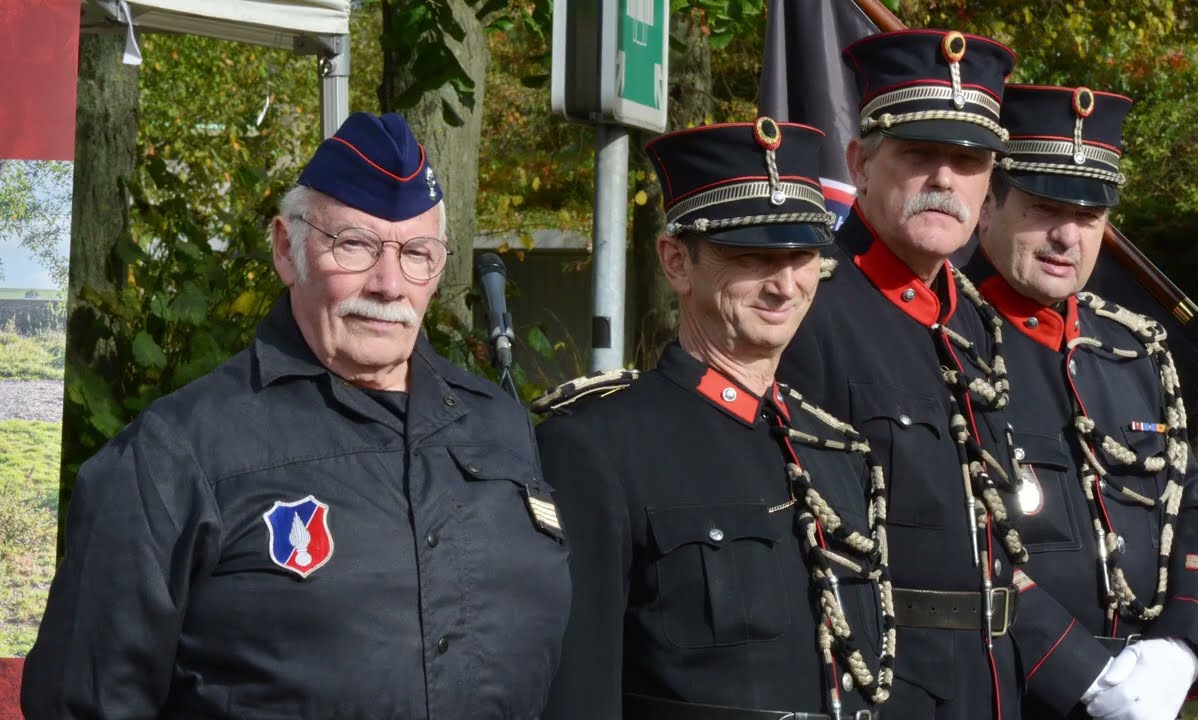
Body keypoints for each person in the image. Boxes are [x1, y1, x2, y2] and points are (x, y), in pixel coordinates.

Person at [21, 112, 570, 719]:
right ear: (288, 249)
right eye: (355, 244)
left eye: (417, 252)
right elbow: (86, 703)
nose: (389, 284)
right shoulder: (178, 453)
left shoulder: (499, 427)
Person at [536, 118, 895, 720]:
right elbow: (578, 692)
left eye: (802, 255)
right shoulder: (597, 448)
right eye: (753, 256)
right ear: (677, 262)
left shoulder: (834, 449)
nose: (785, 285)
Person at [776, 29, 1074, 719]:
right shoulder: (805, 308)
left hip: (992, 682)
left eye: (967, 161)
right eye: (918, 154)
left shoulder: (974, 321)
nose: (944, 179)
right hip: (879, 684)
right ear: (860, 163)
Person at [965, 85, 1198, 720]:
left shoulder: (1135, 349)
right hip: (1004, 689)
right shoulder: (945, 342)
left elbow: (1191, 507)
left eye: (1088, 216)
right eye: (1043, 207)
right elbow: (948, 538)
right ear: (988, 204)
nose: (1066, 236)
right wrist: (1083, 672)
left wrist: (1182, 647)